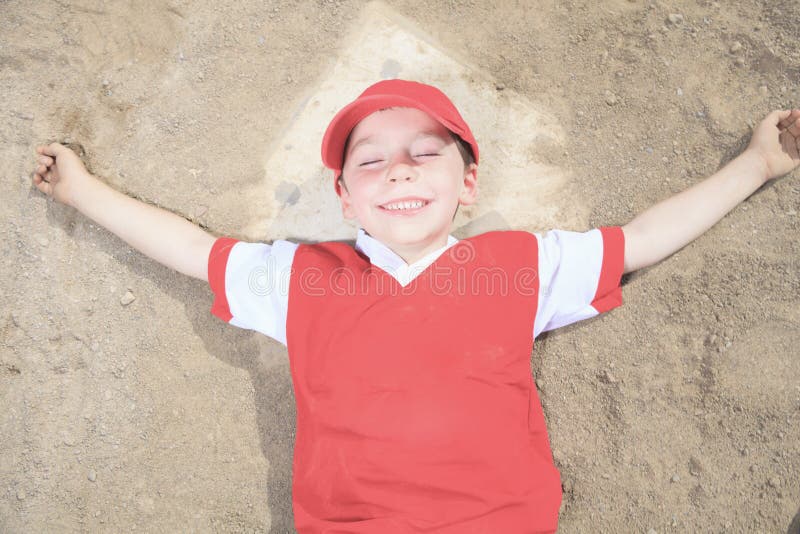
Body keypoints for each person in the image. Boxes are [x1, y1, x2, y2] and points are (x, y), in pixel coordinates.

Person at [32, 79, 799, 533]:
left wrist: (758, 165)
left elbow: (636, 241)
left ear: (468, 185)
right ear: (345, 197)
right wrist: (81, 191)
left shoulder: (516, 266)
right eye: (370, 161)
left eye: (426, 154)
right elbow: (192, 250)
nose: (398, 171)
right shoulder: (303, 277)